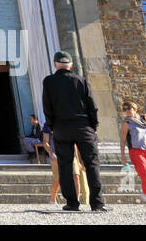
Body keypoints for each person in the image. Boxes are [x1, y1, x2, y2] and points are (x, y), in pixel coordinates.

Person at [41, 51, 108, 212]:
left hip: (61, 128)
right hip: (83, 126)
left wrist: (52, 126)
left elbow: (47, 106)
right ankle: (97, 203)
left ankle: (72, 203)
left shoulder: (49, 81)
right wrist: (93, 126)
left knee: (64, 166)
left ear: (55, 64)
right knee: (92, 164)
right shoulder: (81, 80)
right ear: (71, 65)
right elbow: (92, 105)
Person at [42, 118, 89, 205]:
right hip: (56, 155)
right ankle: (52, 198)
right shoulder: (48, 124)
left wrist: (78, 160)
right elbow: (45, 142)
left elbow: (74, 142)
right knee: (58, 180)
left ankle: (76, 201)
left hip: (72, 154)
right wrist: (52, 154)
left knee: (76, 176)